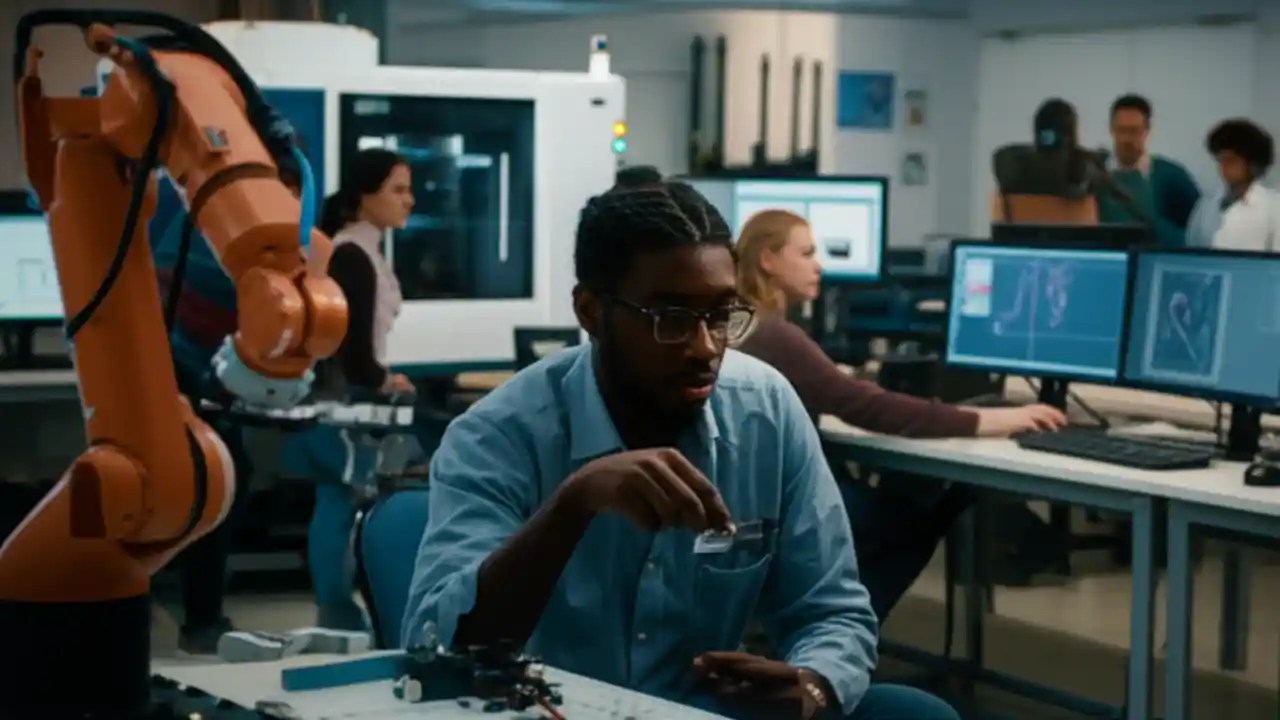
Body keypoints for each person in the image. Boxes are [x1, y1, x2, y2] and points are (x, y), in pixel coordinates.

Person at [402, 178, 960, 720]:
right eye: (669, 319)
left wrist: (813, 683)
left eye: (720, 316)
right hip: (552, 709)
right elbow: (439, 652)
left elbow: (832, 610)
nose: (704, 347)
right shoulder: (500, 435)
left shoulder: (764, 411)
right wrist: (570, 507)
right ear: (592, 312)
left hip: (702, 709)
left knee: (914, 712)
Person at [732, 209, 1066, 618]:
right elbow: (863, 406)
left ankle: (818, 624)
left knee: (910, 499)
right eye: (806, 253)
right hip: (781, 516)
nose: (818, 265)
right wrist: (988, 420)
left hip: (747, 512)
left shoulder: (737, 322)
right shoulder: (774, 334)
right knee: (926, 513)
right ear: (768, 260)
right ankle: (833, 632)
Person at [151, 149, 308, 654]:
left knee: (222, 481)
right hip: (175, 374)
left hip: (203, 379)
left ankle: (199, 615)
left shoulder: (219, 228)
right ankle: (198, 617)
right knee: (213, 483)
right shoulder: (217, 238)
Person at [288, 148, 417, 630]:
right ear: (366, 197)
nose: (409, 200)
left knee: (337, 500)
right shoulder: (353, 255)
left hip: (338, 397)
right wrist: (384, 379)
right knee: (339, 502)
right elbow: (353, 345)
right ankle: (337, 610)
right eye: (398, 190)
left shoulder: (359, 251)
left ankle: (338, 610)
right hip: (344, 399)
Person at [1100, 94, 1201, 247]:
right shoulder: (1094, 174)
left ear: (1147, 130)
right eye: (1121, 130)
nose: (1126, 139)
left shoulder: (1172, 176)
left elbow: (1197, 231)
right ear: (1111, 129)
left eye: (1134, 131)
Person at [1186, 118, 1280, 252]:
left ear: (1253, 164)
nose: (1223, 168)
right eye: (1220, 160)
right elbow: (1192, 247)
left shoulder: (1274, 206)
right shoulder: (1207, 203)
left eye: (1231, 161)